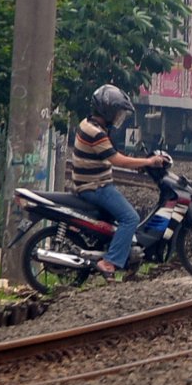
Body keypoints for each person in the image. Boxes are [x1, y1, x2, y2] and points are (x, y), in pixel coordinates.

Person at [72, 84, 169, 278]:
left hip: (90, 183)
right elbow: (117, 160)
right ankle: (110, 262)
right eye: (117, 112)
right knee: (130, 218)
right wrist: (148, 161)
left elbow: (110, 154)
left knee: (121, 219)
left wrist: (140, 164)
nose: (118, 117)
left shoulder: (89, 124)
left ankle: (125, 261)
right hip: (95, 186)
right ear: (107, 110)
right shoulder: (96, 132)